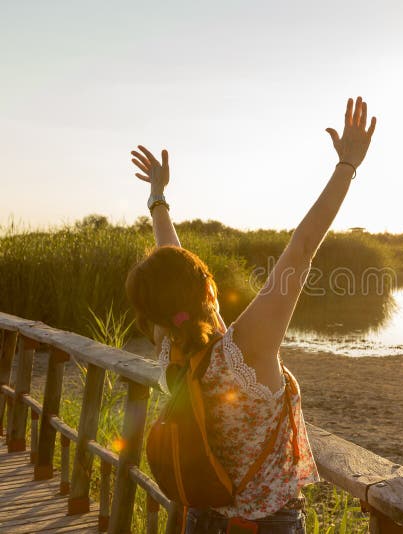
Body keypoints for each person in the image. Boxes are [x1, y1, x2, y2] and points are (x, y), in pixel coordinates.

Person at [125, 96, 377, 533]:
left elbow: (170, 269)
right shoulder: (247, 350)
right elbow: (300, 250)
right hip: (265, 525)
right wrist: (347, 167)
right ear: (207, 289)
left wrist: (158, 201)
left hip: (199, 519)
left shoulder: (175, 353)